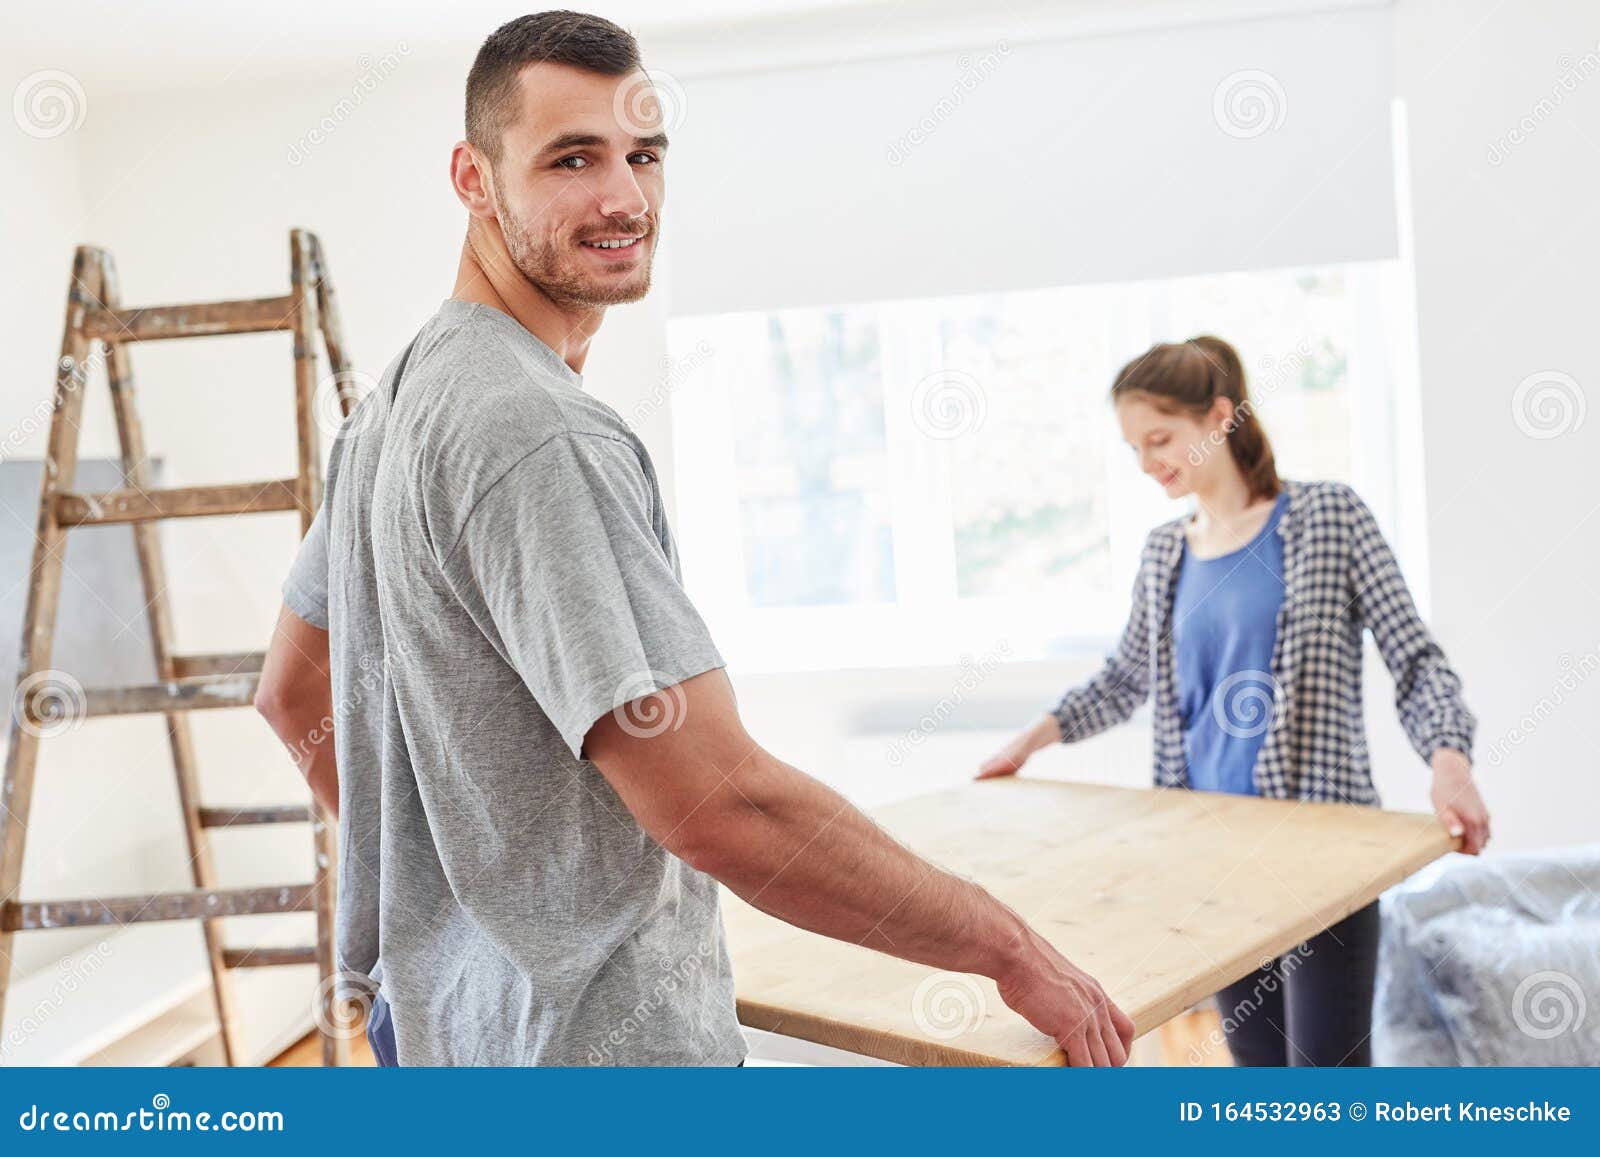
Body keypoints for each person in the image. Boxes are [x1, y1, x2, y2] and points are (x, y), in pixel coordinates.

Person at [255, 10, 1133, 1068]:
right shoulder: (532, 430)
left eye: (644, 156)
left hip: (437, 1033)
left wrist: (464, 894)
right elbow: (718, 801)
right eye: (572, 158)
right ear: (473, 177)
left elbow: (290, 691)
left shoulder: (398, 402)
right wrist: (1005, 945)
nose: (624, 198)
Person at [978, 335, 1490, 1067]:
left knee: (1327, 1082)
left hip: (1322, 855)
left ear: (1219, 416)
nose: (1148, 462)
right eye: (1134, 447)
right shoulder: (1164, 552)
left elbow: (1415, 657)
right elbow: (1125, 676)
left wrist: (1450, 762)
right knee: (1255, 1077)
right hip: (1212, 861)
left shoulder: (1330, 518)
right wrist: (1029, 741)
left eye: (1161, 438)